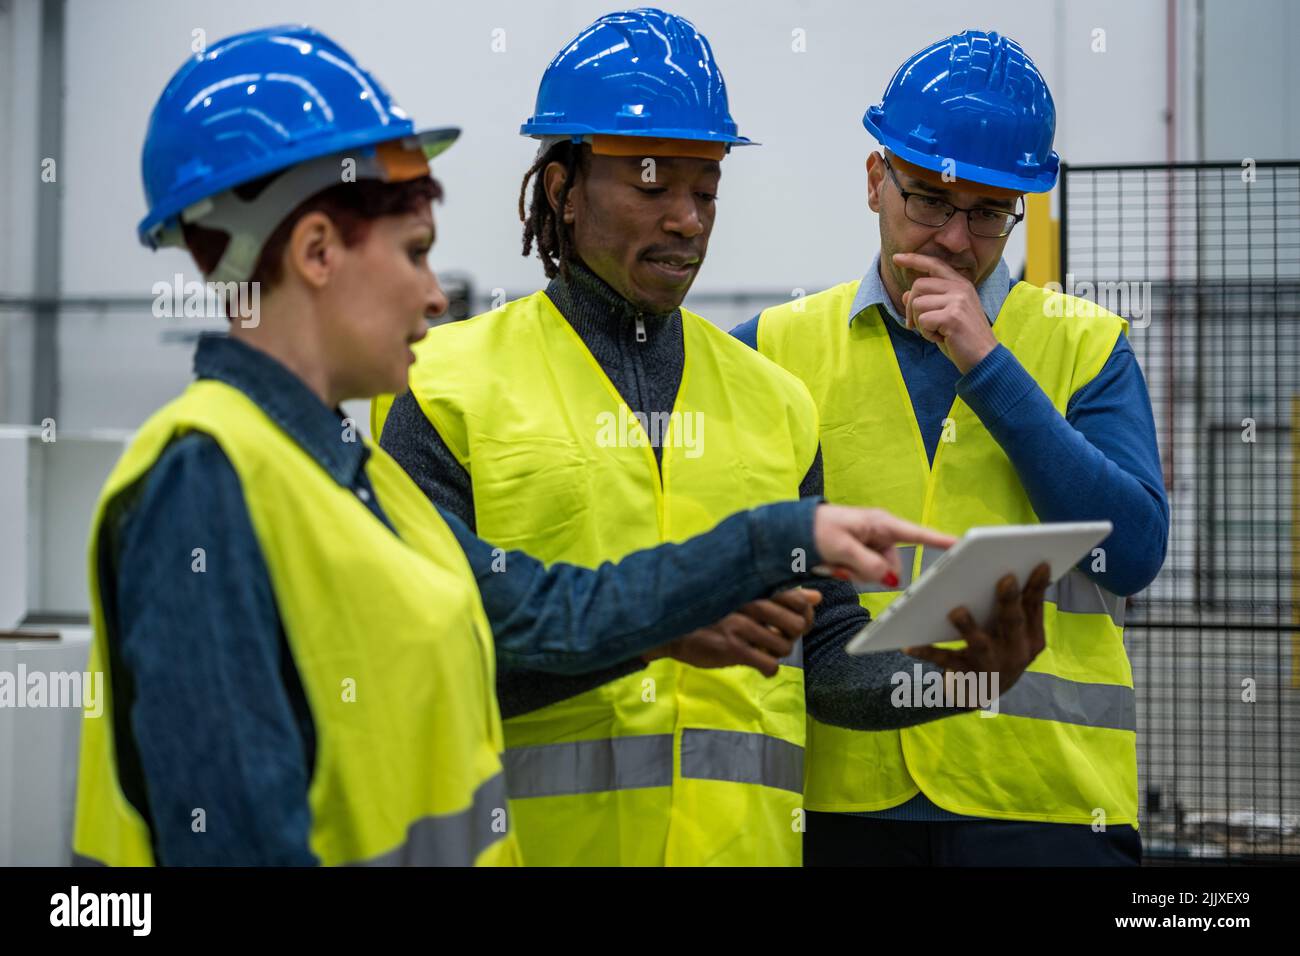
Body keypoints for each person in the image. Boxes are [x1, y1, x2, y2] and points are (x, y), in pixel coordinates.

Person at [73, 24, 950, 868]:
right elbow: (237, 827)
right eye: (416, 253)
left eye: (706, 189)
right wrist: (754, 554)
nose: (432, 296)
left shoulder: (341, 472)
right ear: (313, 252)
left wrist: (949, 666)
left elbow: (543, 616)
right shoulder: (214, 478)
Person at [376, 9, 1049, 867]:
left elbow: (828, 660)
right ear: (563, 191)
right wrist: (653, 629)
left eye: (706, 189)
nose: (689, 220)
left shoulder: (774, 401)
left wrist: (962, 679)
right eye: (653, 188)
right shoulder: (444, 388)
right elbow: (426, 661)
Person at [734, 30, 1169, 866]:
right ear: (875, 182)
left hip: (1042, 806)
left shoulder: (1087, 345)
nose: (955, 240)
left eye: (988, 212)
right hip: (839, 799)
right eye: (930, 201)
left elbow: (1134, 555)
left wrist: (991, 365)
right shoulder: (773, 347)